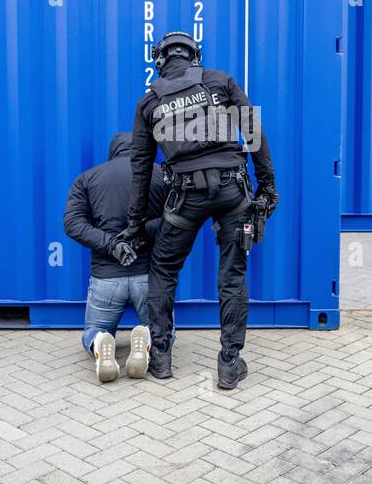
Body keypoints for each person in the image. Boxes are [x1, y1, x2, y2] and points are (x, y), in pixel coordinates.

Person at [118, 31, 278, 389]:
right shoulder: (220, 81)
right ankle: (229, 363)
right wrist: (268, 186)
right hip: (233, 192)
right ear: (194, 57)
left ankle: (161, 357)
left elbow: (140, 167)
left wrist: (135, 223)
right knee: (232, 276)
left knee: (163, 269)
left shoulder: (149, 102)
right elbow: (254, 134)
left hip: (185, 198)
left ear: (161, 60)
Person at [63, 133, 167, 383]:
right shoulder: (161, 175)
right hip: (149, 276)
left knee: (92, 330)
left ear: (113, 151)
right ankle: (147, 337)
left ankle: (100, 341)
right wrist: (143, 233)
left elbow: (72, 223)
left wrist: (112, 245)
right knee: (165, 332)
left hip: (106, 278)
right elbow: (178, 219)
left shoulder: (87, 178)